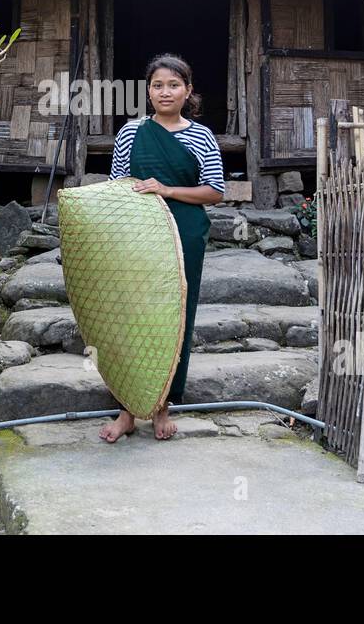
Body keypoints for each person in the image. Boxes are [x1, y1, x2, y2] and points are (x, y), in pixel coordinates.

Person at [100, 53, 225, 441]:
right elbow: (117, 185)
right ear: (148, 91)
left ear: (188, 91)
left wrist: (167, 189)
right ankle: (126, 410)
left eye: (174, 85)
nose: (165, 91)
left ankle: (162, 406)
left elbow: (215, 192)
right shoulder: (131, 132)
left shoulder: (201, 136)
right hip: (137, 234)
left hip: (184, 232)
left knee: (175, 317)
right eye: (157, 85)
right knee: (131, 317)